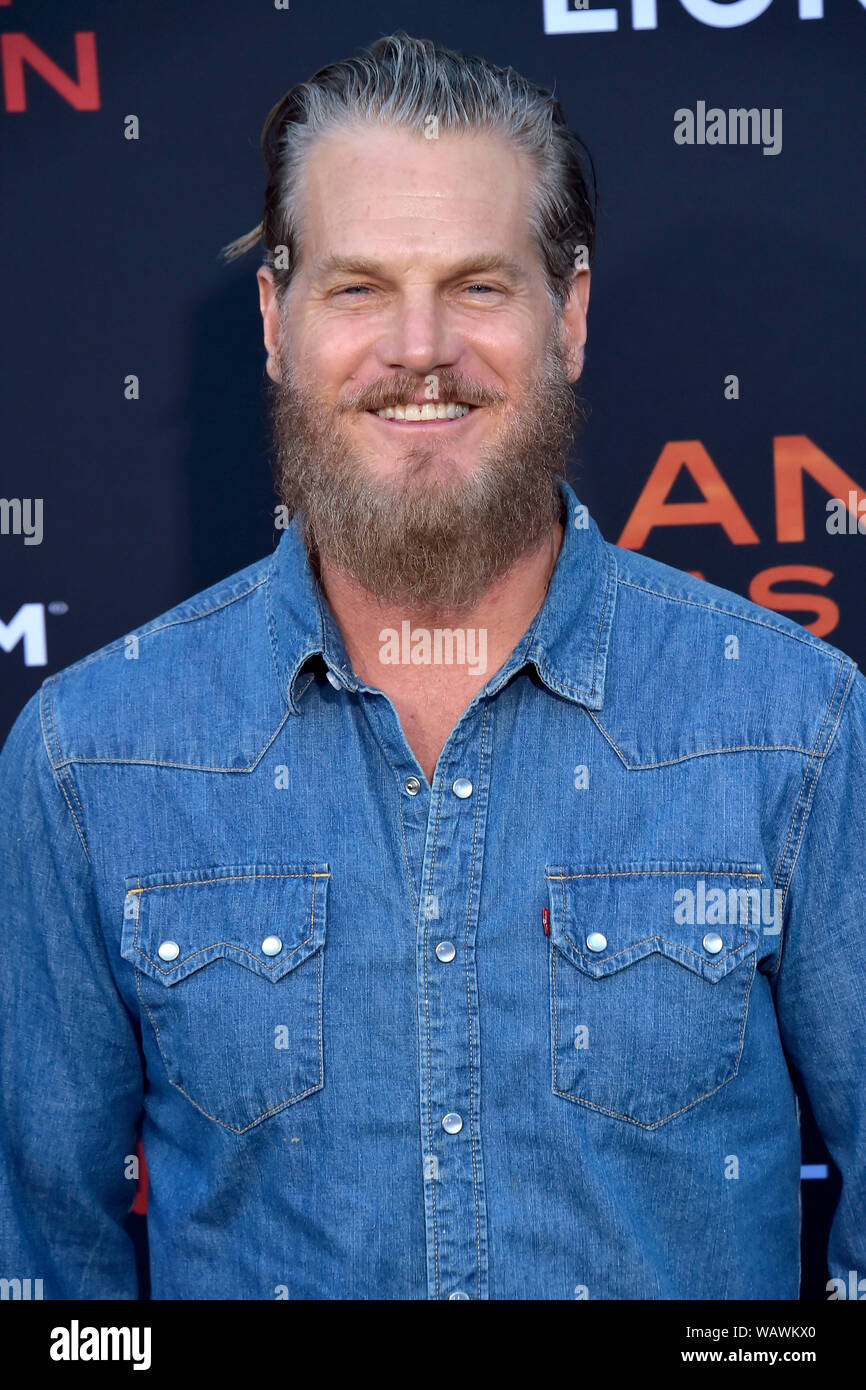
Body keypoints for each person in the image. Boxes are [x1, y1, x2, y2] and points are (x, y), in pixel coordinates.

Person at [1, 31, 864, 1302]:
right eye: (357, 288)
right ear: (274, 322)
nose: (418, 348)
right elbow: (46, 1274)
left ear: (565, 315)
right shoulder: (89, 757)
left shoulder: (795, 726)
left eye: (476, 285)